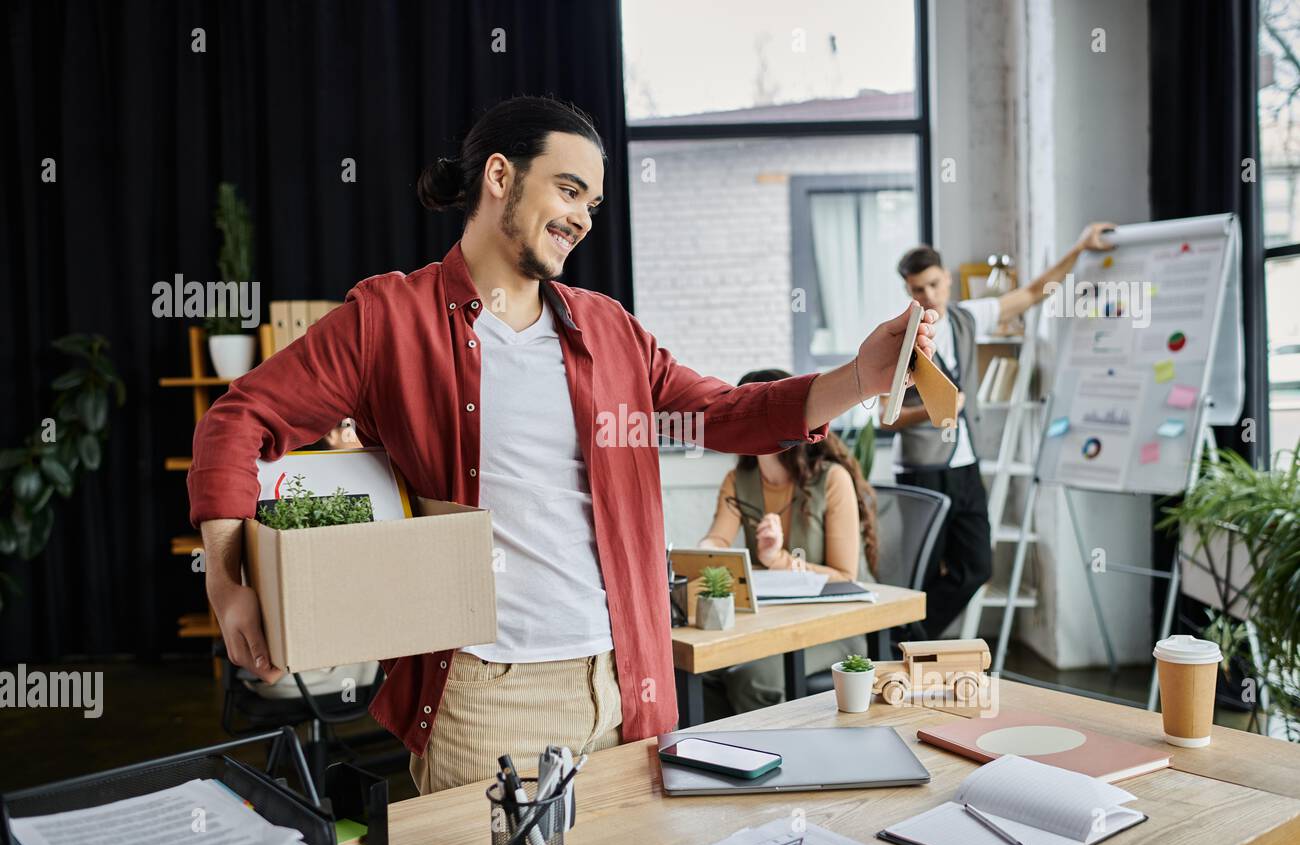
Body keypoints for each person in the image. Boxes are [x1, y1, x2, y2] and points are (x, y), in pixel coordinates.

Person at [189, 95, 936, 795]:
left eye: (594, 203)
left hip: (624, 685)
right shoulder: (389, 319)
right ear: (500, 175)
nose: (583, 218)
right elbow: (238, 420)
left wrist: (860, 377)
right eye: (570, 190)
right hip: (482, 698)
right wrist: (227, 583)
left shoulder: (610, 330)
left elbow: (727, 414)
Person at [882, 223, 1115, 640]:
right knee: (919, 570)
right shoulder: (900, 340)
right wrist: (933, 413)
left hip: (966, 465)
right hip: (921, 469)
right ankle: (904, 646)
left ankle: (902, 638)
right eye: (918, 290)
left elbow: (1033, 292)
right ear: (908, 292)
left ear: (947, 278)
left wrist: (1080, 247)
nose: (929, 296)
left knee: (977, 566)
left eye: (934, 284)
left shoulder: (968, 318)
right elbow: (886, 415)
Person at [697, 368, 879, 716]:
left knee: (753, 678)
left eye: (752, 414)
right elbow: (717, 538)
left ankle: (768, 762)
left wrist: (778, 559)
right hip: (768, 622)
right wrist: (706, 552)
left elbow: (845, 574)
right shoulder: (739, 480)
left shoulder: (832, 480)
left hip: (834, 624)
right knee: (698, 671)